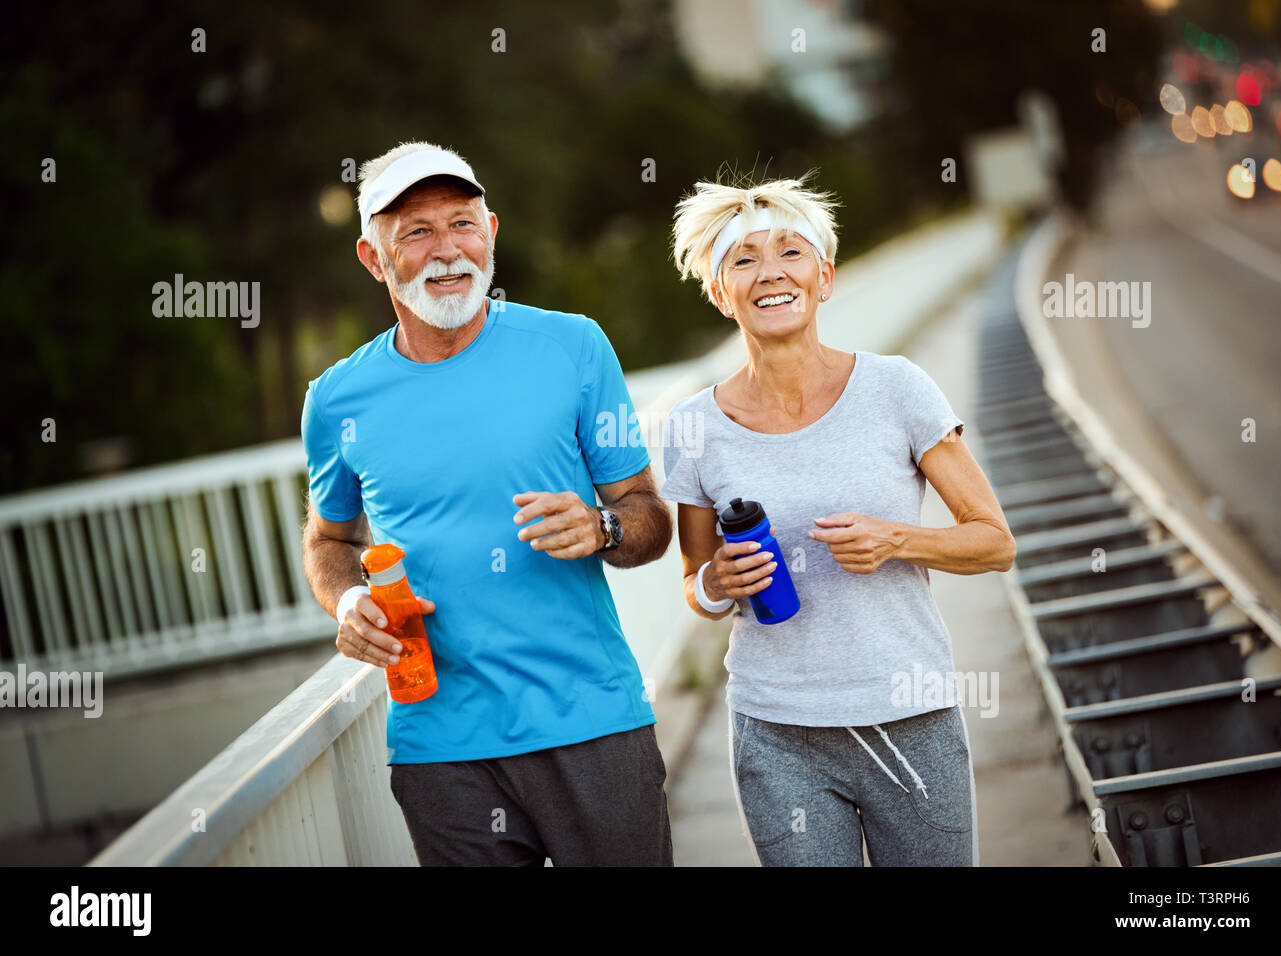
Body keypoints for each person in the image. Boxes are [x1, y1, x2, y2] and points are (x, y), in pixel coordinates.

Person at [300, 141, 674, 866]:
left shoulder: (574, 346)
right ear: (374, 258)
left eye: (462, 224)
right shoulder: (335, 399)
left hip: (591, 723)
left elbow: (647, 516)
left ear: (491, 233)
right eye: (416, 232)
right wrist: (348, 606)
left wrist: (600, 527)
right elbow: (328, 543)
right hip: (440, 749)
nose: (448, 251)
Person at [659, 174, 1016, 866]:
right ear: (718, 291)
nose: (770, 273)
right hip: (777, 731)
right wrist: (720, 582)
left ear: (825, 278)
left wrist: (897, 540)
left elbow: (994, 543)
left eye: (791, 253)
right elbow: (693, 586)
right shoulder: (694, 426)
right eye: (743, 259)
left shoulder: (897, 388)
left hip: (911, 713)